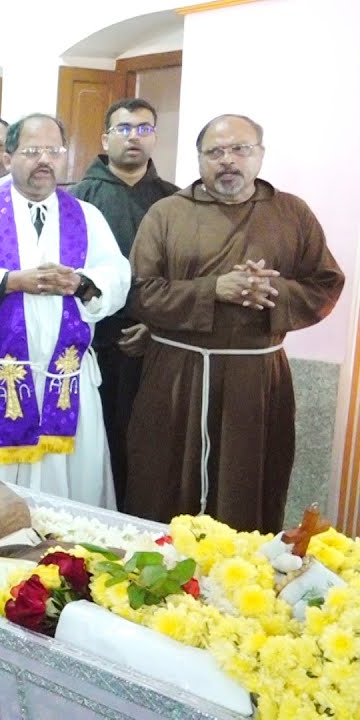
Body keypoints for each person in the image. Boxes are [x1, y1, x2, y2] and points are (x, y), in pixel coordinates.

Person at [124, 114, 344, 534]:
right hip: (176, 376)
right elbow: (139, 293)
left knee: (248, 485)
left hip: (256, 380)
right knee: (163, 483)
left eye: (240, 149)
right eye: (215, 152)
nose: (228, 161)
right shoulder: (167, 213)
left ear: (259, 155)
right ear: (200, 159)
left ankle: (245, 581)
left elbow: (326, 285)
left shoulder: (291, 213)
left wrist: (270, 291)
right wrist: (214, 290)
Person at [0, 113, 128, 509]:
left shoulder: (86, 217)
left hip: (65, 380)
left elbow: (117, 275)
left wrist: (82, 284)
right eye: (31, 151)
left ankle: (63, 564)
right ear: (9, 158)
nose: (44, 160)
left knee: (67, 498)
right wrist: (10, 282)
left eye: (53, 151)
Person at [70, 98, 179, 507]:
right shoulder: (77, 200)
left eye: (144, 128)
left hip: (157, 346)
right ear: (105, 138)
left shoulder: (176, 202)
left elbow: (180, 276)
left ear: (154, 137)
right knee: (96, 450)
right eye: (124, 128)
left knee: (152, 451)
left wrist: (156, 326)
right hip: (92, 346)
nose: (134, 137)